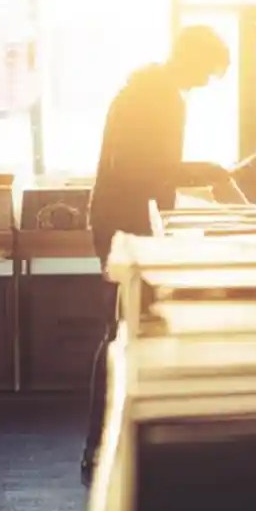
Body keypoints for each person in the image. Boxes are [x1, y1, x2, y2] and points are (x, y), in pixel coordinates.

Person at [81, 25, 231, 485]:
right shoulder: (160, 97)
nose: (205, 82)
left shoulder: (144, 88)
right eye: (206, 71)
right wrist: (204, 171)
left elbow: (146, 169)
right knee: (124, 327)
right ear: (191, 57)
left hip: (118, 216)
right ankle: (102, 444)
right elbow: (141, 170)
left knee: (125, 325)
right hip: (123, 221)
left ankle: (104, 441)